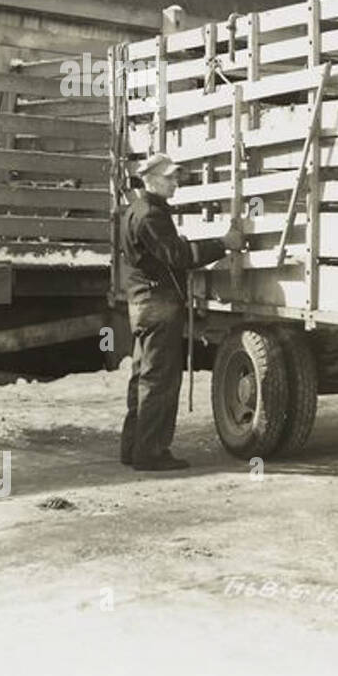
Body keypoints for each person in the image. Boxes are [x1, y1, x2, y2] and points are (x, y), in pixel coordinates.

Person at [118, 153, 244, 471]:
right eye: (171, 178)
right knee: (160, 380)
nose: (176, 183)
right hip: (158, 304)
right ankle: (151, 454)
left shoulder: (136, 210)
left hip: (142, 303)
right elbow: (177, 255)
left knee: (143, 377)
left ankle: (133, 448)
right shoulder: (151, 214)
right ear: (153, 180)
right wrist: (223, 243)